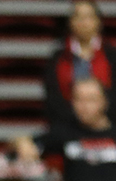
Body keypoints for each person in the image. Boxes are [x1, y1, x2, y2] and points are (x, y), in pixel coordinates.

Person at [46, 0, 116, 130]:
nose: (84, 22)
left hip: (108, 129)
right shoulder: (58, 58)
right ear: (70, 22)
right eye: (78, 17)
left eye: (89, 17)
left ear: (98, 21)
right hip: (67, 129)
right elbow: (53, 101)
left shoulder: (112, 56)